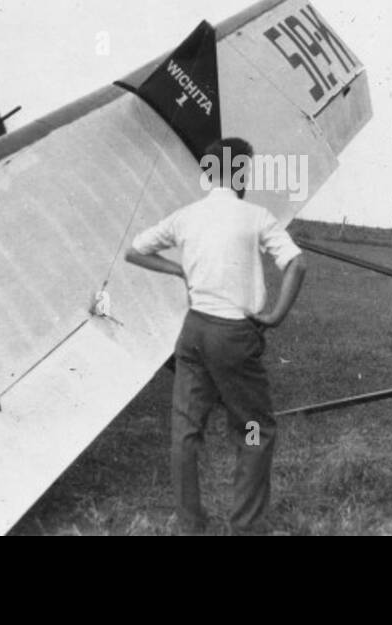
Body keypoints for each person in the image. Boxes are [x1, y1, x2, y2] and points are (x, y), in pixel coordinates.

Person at [126, 137, 307, 535]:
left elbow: (134, 250)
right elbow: (297, 264)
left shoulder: (187, 215)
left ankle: (190, 524)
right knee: (255, 428)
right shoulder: (256, 216)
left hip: (192, 334)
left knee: (186, 431)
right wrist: (275, 316)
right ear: (241, 172)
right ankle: (246, 526)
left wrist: (178, 271)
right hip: (234, 337)